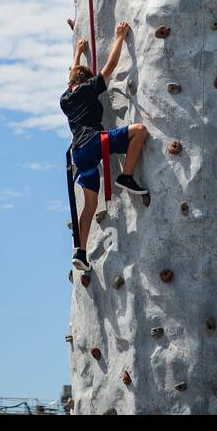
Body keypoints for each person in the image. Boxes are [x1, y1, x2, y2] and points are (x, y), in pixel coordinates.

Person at [61, 21, 148, 272]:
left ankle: (80, 251)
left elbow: (71, 77)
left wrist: (78, 52)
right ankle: (127, 176)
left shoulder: (65, 99)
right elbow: (109, 69)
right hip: (93, 142)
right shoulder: (88, 88)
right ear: (85, 80)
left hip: (79, 154)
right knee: (139, 131)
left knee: (89, 206)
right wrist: (119, 36)